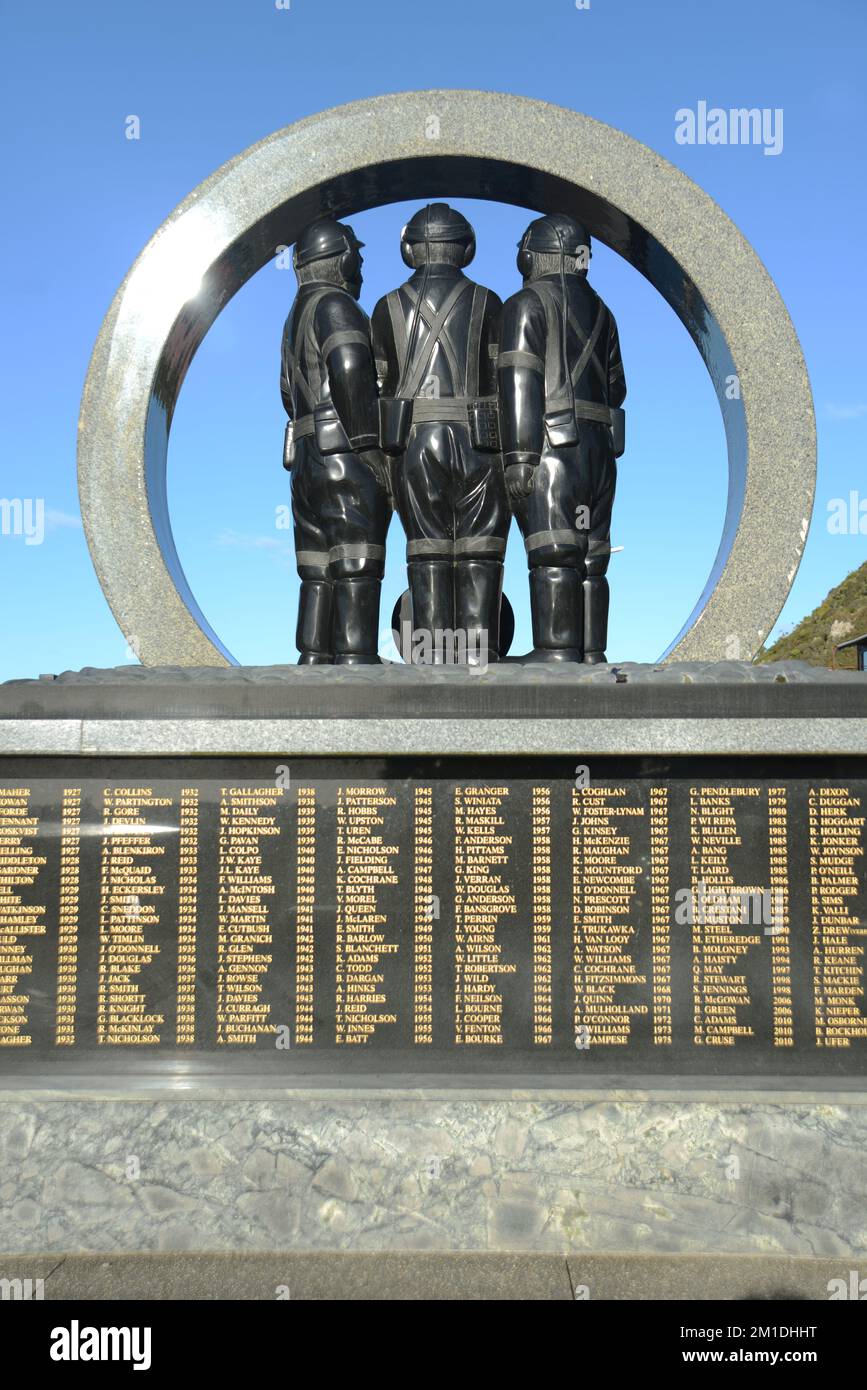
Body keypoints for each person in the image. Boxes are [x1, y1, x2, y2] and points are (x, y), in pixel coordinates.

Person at [372, 203, 508, 664]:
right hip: (478, 439)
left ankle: (431, 660)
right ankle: (477, 658)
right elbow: (505, 377)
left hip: (413, 439)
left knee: (426, 550)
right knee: (480, 551)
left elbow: (378, 383)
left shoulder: (385, 306)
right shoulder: (490, 302)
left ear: (410, 248)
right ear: (465, 247)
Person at [498, 214, 626, 662]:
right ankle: (591, 652)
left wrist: (518, 456)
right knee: (592, 556)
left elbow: (519, 383)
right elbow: (618, 387)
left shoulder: (526, 303)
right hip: (599, 449)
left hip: (549, 445)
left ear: (534, 253)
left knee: (552, 552)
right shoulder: (604, 312)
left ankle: (555, 651)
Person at [279, 217, 391, 664]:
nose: (360, 266)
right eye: (357, 257)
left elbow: (287, 393)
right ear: (340, 258)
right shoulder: (335, 305)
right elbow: (348, 370)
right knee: (358, 560)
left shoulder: (294, 315)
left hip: (307, 453)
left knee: (316, 566)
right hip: (345, 449)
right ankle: (354, 657)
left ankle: (313, 654)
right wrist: (370, 446)